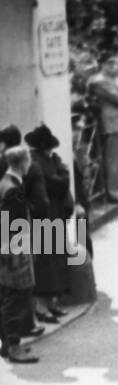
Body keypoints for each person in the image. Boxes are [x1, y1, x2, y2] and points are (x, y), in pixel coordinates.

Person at [24, 124, 74, 323]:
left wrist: (60, 177)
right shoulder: (35, 161)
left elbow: (62, 180)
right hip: (43, 216)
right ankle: (41, 307)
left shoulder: (51, 159)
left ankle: (52, 303)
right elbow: (58, 182)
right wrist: (60, 177)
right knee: (44, 263)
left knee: (56, 259)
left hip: (55, 213)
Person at [0, 144, 39, 364]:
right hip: (14, 251)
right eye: (28, 161)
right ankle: (13, 345)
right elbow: (14, 225)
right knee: (17, 296)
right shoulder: (13, 188)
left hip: (7, 249)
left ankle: (7, 343)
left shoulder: (5, 183)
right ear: (23, 163)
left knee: (7, 295)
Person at [87, 53, 118, 204]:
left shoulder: (116, 78)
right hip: (114, 123)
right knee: (116, 160)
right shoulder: (99, 81)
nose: (113, 66)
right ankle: (116, 193)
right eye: (109, 63)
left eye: (115, 63)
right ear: (102, 64)